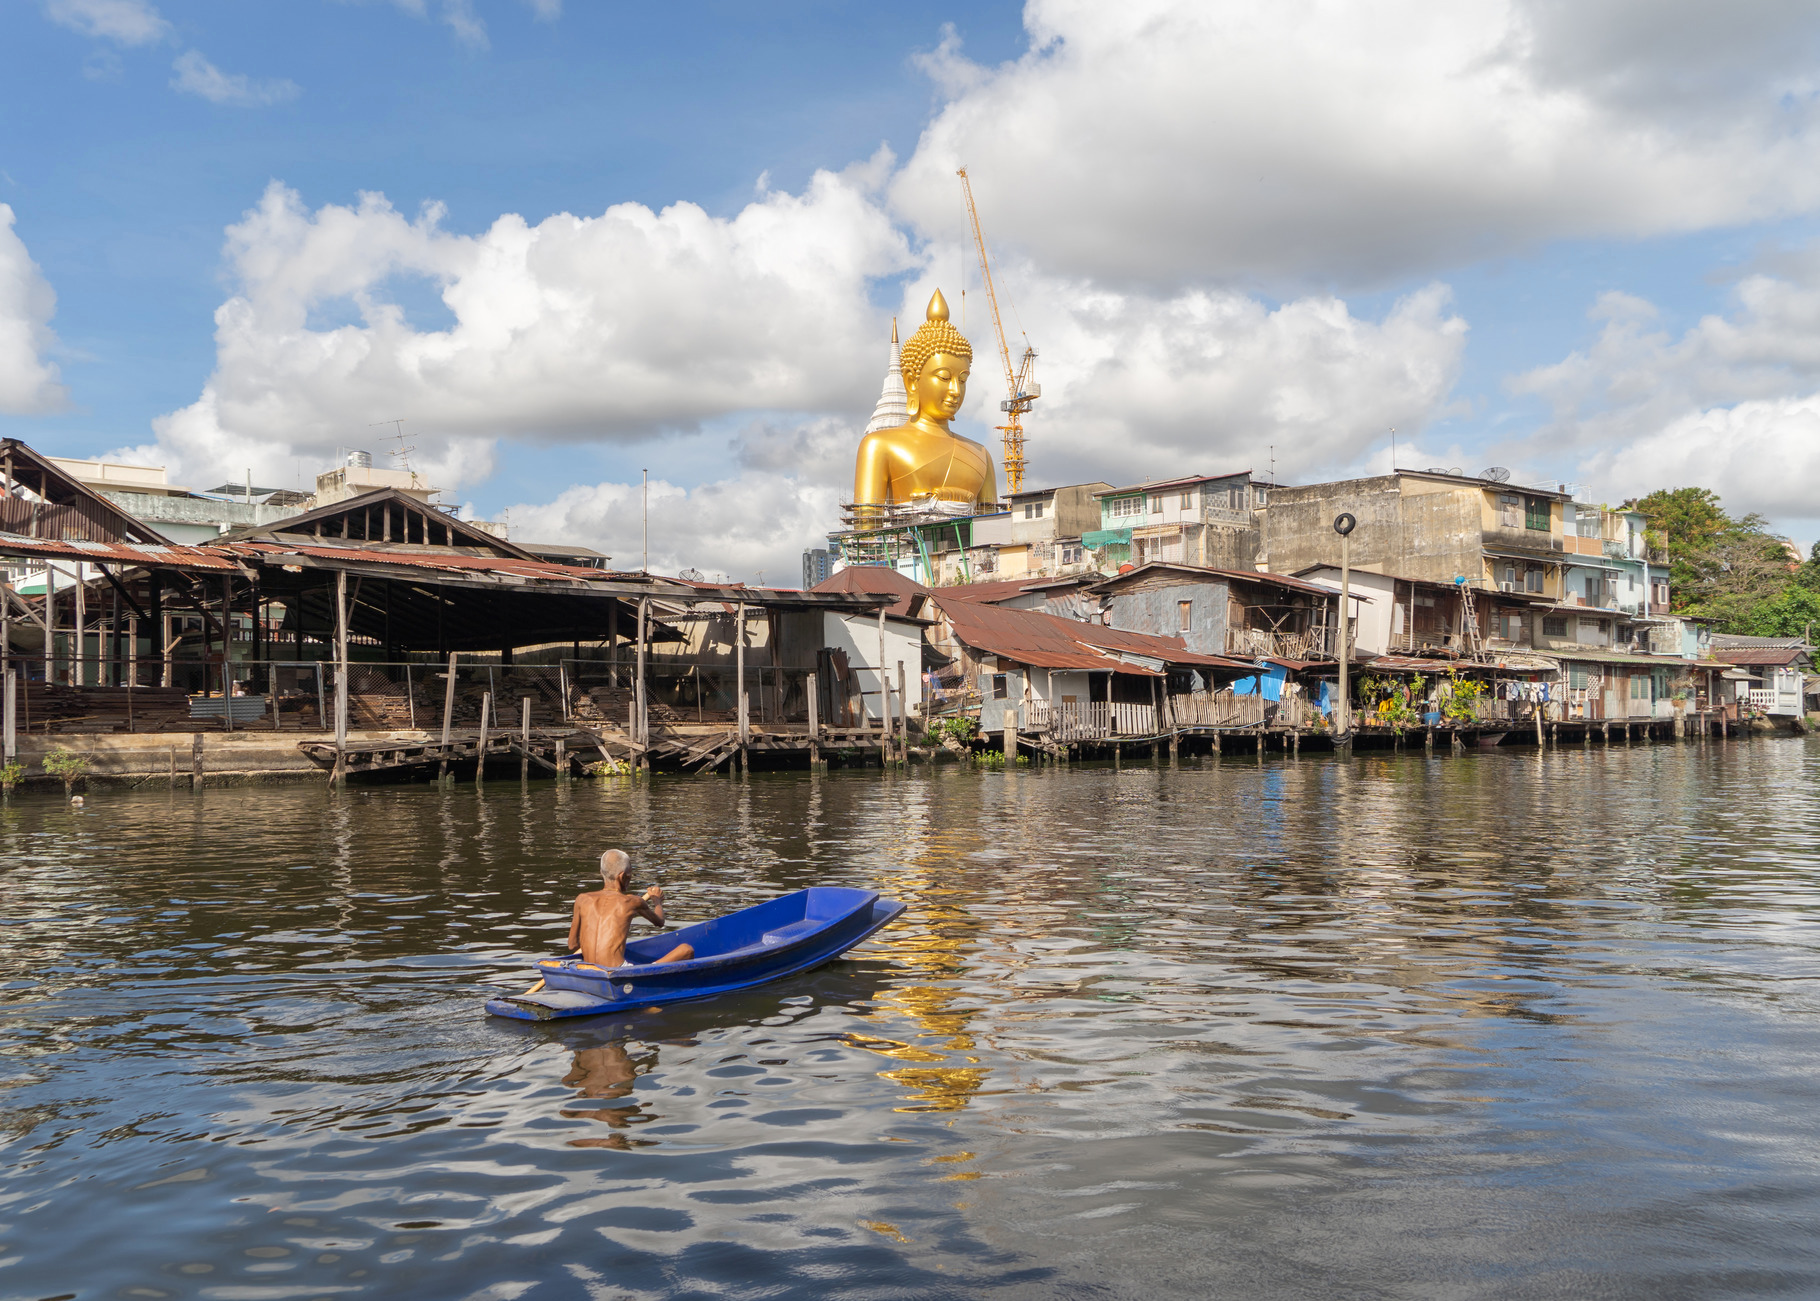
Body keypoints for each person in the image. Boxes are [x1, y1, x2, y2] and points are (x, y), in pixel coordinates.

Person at [566, 850, 694, 968]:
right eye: (630, 875)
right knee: (686, 950)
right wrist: (657, 901)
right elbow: (660, 921)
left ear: (601, 873)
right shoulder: (631, 901)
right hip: (617, 971)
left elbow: (572, 945)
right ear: (622, 877)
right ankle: (651, 973)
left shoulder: (582, 899)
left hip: (589, 970)